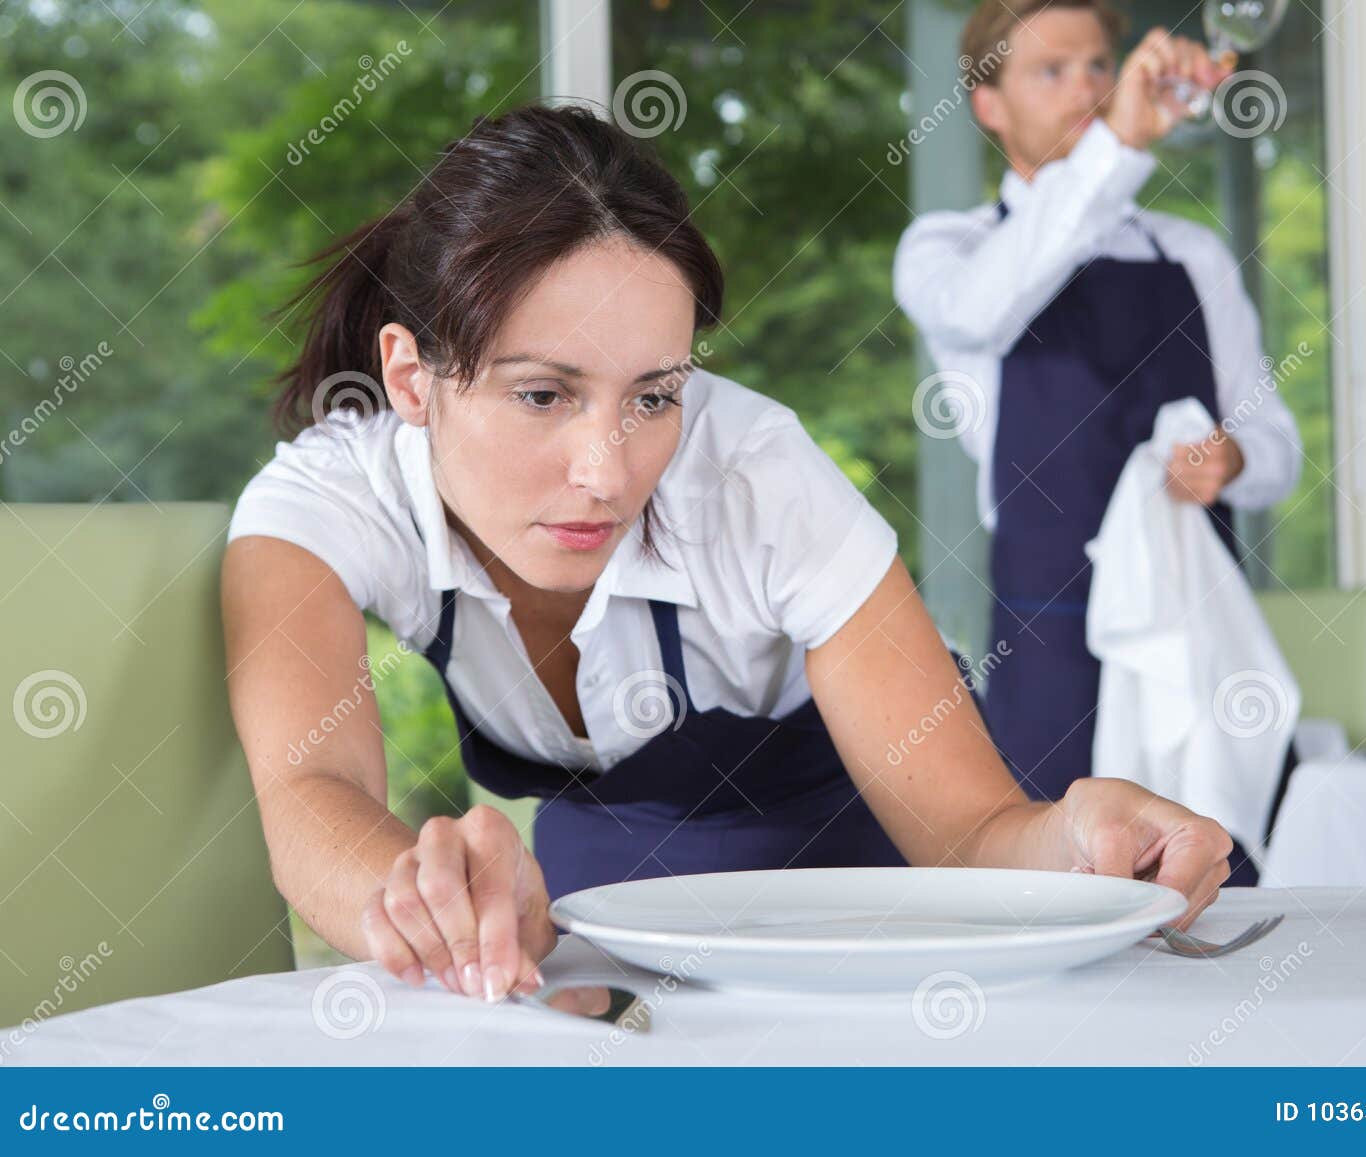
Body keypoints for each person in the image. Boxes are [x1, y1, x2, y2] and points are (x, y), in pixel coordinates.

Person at [222, 102, 1234, 1005]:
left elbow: (973, 836)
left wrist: (1077, 837)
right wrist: (425, 896)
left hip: (862, 914)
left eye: (655, 395)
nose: (607, 473)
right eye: (543, 394)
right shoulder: (330, 498)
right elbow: (312, 790)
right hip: (599, 914)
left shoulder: (759, 477)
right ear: (408, 376)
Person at [893, 0, 1302, 882]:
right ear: (987, 103)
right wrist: (1120, 145)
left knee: (1213, 884)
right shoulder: (950, 253)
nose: (1084, 86)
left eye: (1096, 66)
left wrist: (1234, 460)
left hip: (1190, 625)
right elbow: (992, 304)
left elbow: (1276, 445)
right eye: (1051, 70)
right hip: (1047, 643)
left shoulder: (1192, 254)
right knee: (1054, 890)